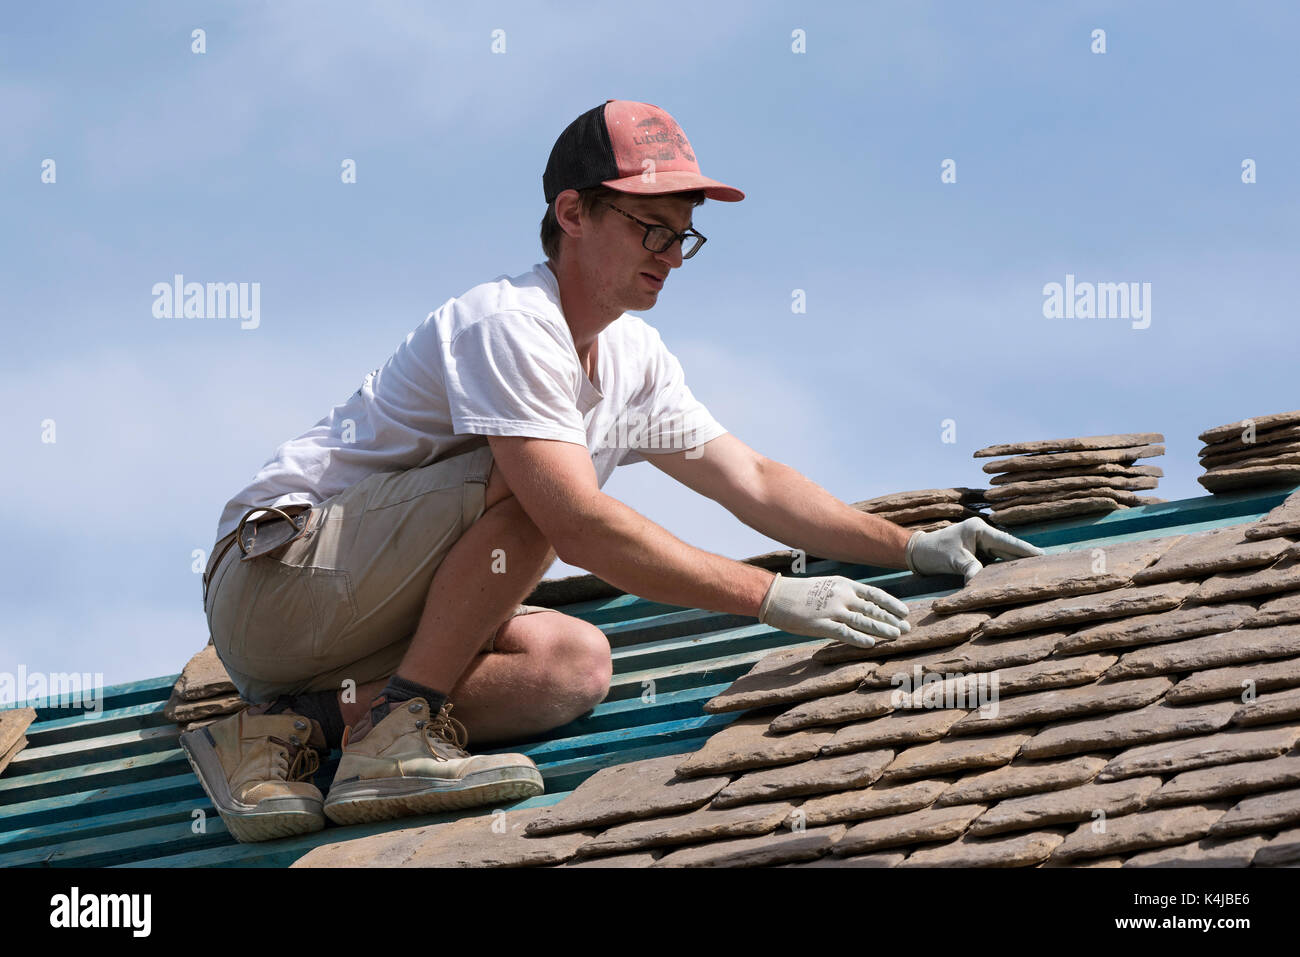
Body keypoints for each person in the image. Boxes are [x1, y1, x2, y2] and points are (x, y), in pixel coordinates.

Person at [183, 99, 1043, 844]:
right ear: (572, 212)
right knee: (543, 496)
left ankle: (290, 726)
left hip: (348, 624)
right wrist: (770, 598)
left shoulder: (634, 357)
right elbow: (575, 524)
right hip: (276, 580)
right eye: (649, 229)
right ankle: (392, 739)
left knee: (571, 666)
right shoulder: (509, 322)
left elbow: (753, 480)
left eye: (682, 237)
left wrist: (913, 546)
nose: (670, 256)